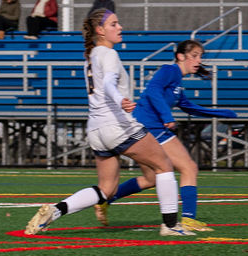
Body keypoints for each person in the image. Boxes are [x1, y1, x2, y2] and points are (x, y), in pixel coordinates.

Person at [23, 9, 192, 237]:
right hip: (117, 126)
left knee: (106, 189)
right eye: (114, 24)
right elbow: (110, 84)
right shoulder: (109, 54)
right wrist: (120, 100)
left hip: (96, 130)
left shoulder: (91, 56)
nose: (120, 27)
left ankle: (55, 211)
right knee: (164, 166)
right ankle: (171, 226)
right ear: (100, 31)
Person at [97, 40, 237, 232]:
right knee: (189, 167)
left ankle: (106, 200)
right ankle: (188, 219)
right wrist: (166, 116)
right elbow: (153, 91)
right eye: (195, 55)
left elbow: (189, 107)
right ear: (180, 56)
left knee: (151, 179)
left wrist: (221, 114)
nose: (199, 60)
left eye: (201, 57)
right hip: (152, 127)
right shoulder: (168, 70)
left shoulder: (177, 84)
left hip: (144, 127)